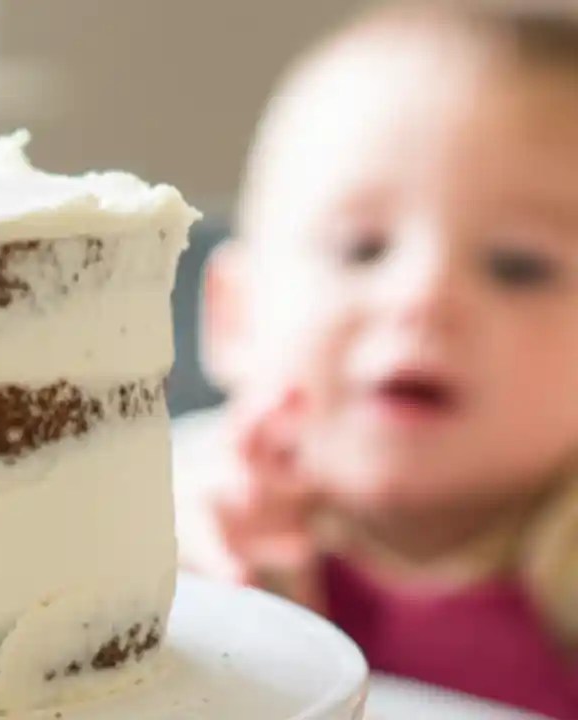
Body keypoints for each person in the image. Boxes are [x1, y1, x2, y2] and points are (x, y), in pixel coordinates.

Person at [174, 2, 578, 715]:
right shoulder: (183, 517)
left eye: (519, 266)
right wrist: (194, 588)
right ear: (233, 315)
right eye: (360, 249)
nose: (423, 296)